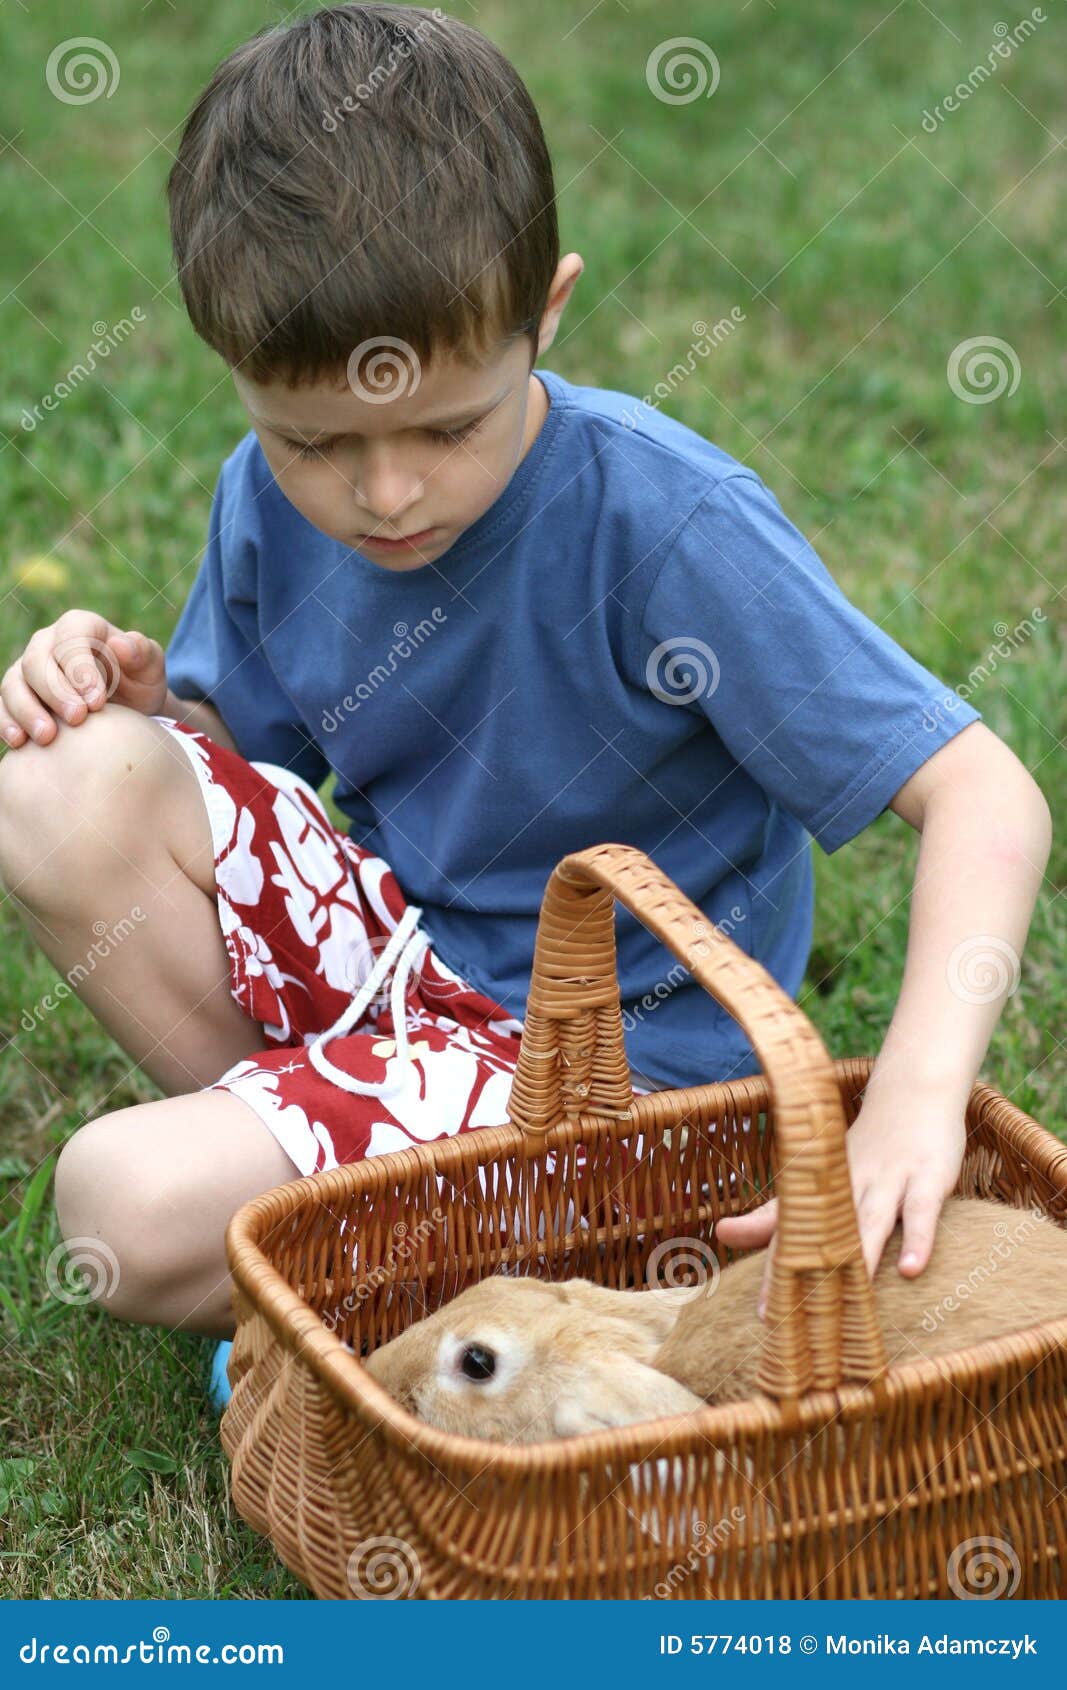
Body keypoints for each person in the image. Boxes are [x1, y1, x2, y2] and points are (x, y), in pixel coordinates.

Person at [0, 8, 1050, 1374]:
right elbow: (232, 789)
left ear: (544, 313)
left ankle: (364, 1229)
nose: (385, 494)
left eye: (447, 425)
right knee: (51, 779)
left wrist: (917, 1095)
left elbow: (984, 790)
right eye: (316, 440)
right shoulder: (263, 500)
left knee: (120, 1205)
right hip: (407, 979)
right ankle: (361, 1225)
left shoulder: (661, 525)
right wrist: (136, 708)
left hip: (618, 1087)